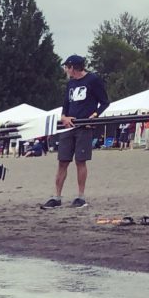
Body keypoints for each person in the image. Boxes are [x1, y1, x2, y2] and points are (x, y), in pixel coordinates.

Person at [42, 54, 109, 210]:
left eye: (67, 67)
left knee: (81, 161)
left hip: (84, 127)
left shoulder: (93, 80)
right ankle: (57, 197)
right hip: (68, 127)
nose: (65, 69)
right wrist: (64, 117)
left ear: (73, 67)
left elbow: (105, 102)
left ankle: (80, 197)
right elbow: (65, 103)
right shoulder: (70, 83)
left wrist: (95, 115)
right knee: (62, 161)